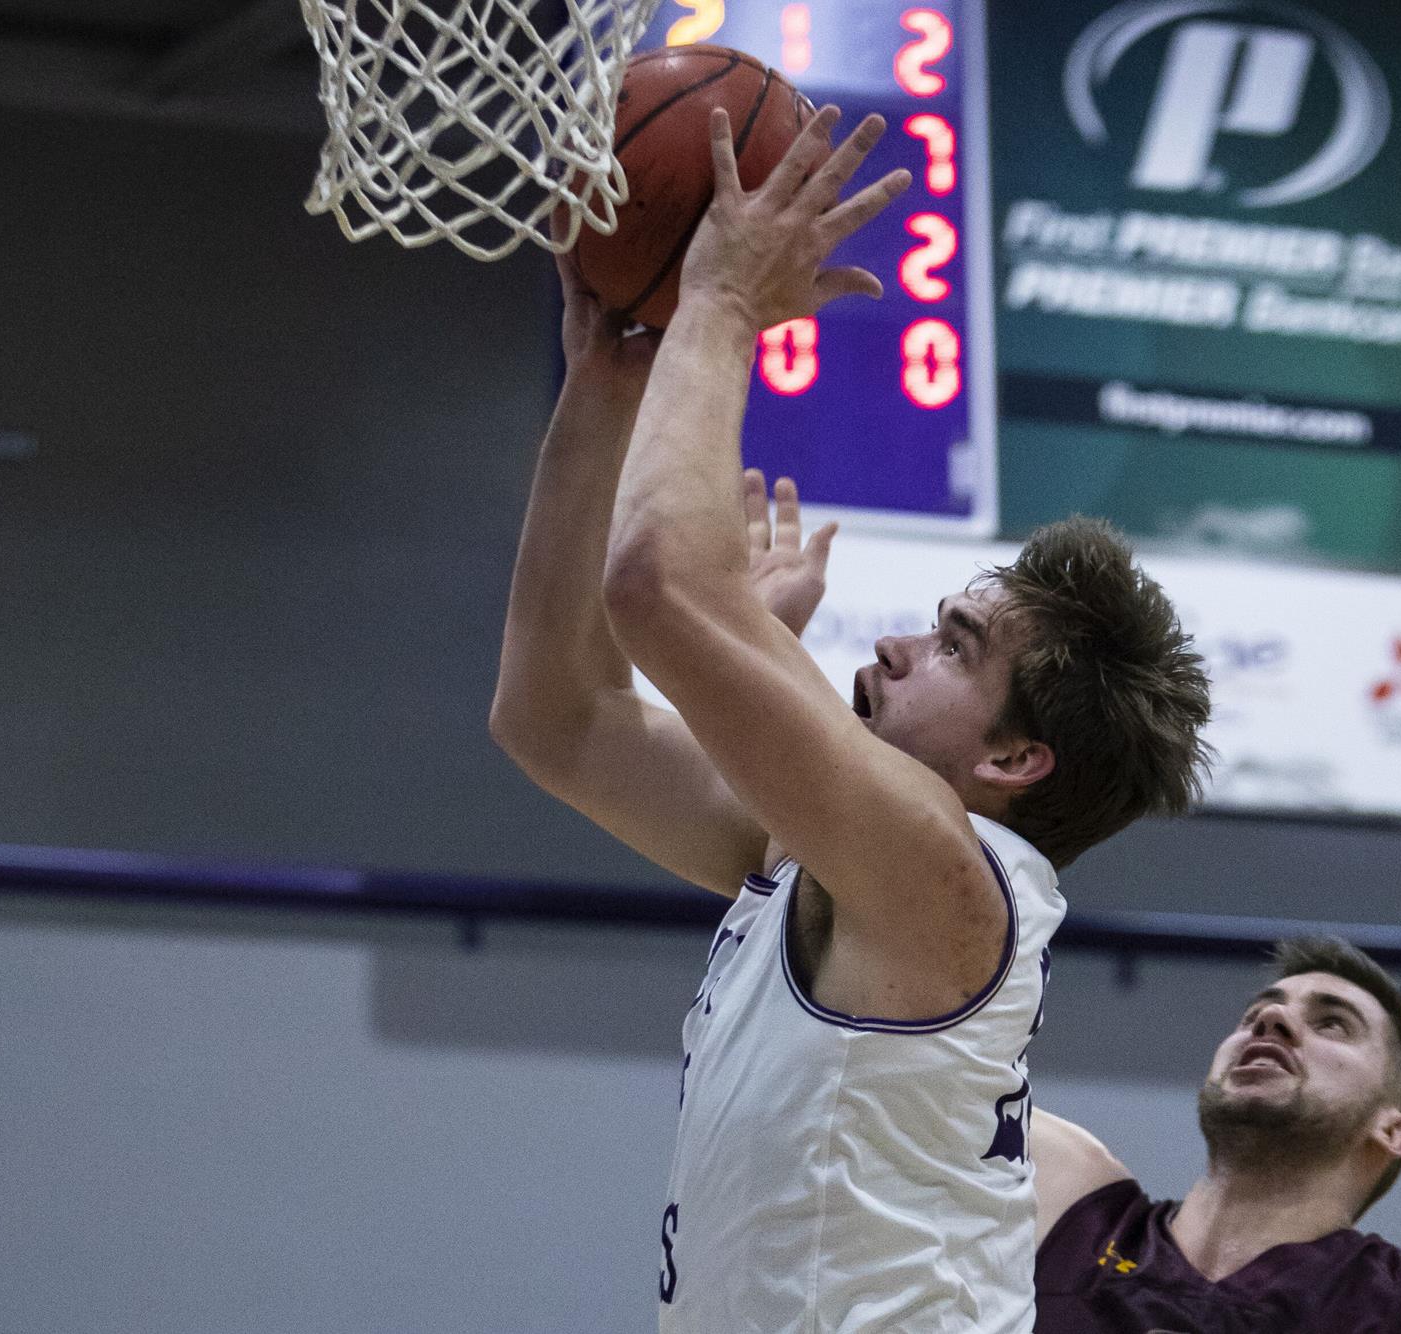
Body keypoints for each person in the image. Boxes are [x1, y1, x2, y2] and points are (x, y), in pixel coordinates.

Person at [489, 105, 1213, 1333]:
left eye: (951, 646)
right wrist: (608, 383)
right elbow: (555, 715)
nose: (891, 643)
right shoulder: (830, 858)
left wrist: (713, 306)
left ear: (1013, 756)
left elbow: (655, 583)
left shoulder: (946, 879)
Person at [1030, 937, 1401, 1334]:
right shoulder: (1067, 1193)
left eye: (1332, 1023)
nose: (1270, 1021)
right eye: (1256, 1012)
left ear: (1391, 1129)